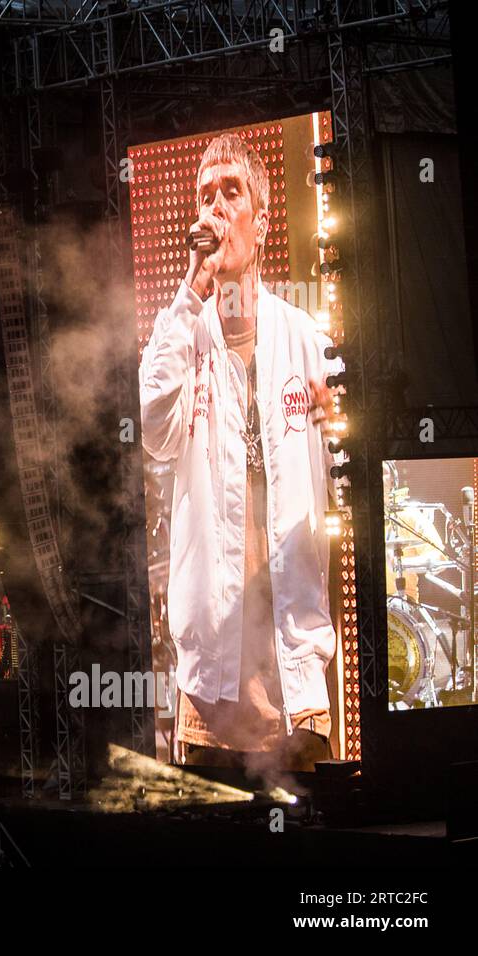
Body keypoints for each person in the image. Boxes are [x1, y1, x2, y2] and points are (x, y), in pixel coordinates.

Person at [139, 132, 341, 772]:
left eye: (233, 192)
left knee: (313, 852)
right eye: (205, 195)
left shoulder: (304, 336)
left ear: (263, 217)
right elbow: (152, 427)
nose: (218, 207)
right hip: (212, 668)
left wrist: (338, 425)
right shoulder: (182, 333)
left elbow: (343, 477)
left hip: (294, 662)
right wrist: (189, 294)